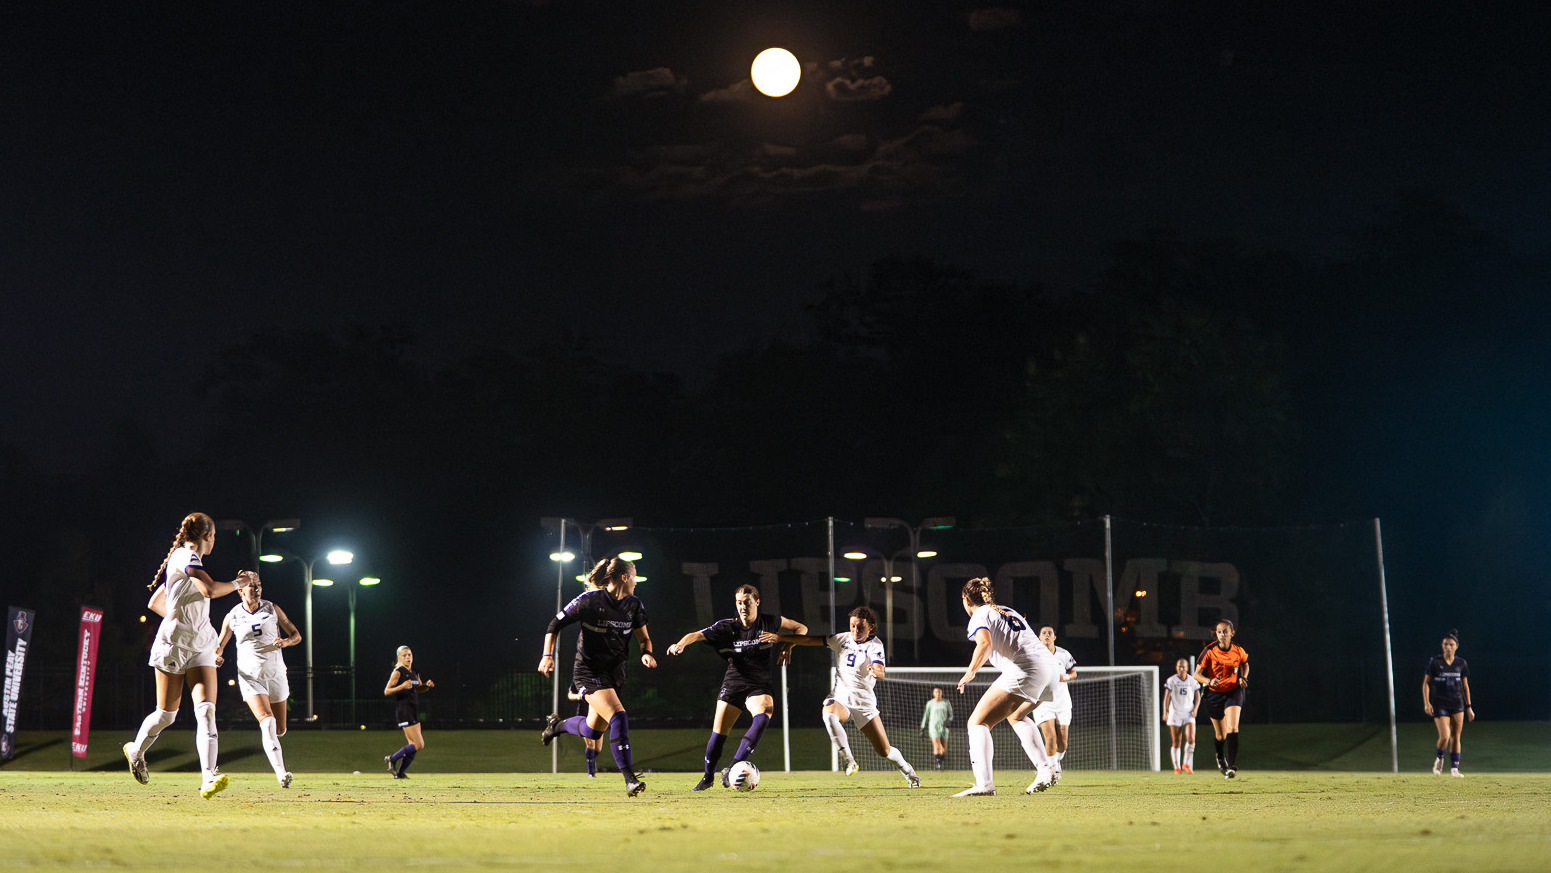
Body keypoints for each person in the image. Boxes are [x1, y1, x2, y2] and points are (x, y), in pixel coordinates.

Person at [122, 511, 256, 799]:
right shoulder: (185, 557)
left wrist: (191, 622)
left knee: (206, 710)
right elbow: (208, 589)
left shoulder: (185, 561)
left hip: (200, 646)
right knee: (166, 715)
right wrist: (238, 584)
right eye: (215, 536)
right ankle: (136, 749)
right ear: (208, 536)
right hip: (173, 646)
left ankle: (209, 777)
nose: (215, 541)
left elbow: (156, 599)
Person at [668, 583, 808, 790]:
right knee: (718, 734)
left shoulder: (769, 621)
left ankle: (732, 767)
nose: (743, 607)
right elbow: (697, 634)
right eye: (739, 603)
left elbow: (801, 628)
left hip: (759, 683)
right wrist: (680, 644)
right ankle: (707, 778)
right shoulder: (727, 626)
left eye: (747, 602)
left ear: (757, 602)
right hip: (734, 682)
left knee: (764, 715)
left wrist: (788, 645)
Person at [764, 606, 921, 787]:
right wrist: (782, 638)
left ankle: (909, 772)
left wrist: (875, 671)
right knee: (829, 714)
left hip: (863, 702)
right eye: (853, 626)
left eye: (860, 627)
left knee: (884, 751)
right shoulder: (841, 639)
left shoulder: (875, 645)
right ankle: (849, 761)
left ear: (871, 626)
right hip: (841, 696)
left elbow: (880, 670)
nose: (855, 630)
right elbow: (809, 639)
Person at [538, 556, 657, 797]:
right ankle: (630, 779)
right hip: (588, 672)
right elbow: (554, 625)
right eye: (634, 576)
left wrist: (647, 653)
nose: (636, 581)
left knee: (593, 731)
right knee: (619, 716)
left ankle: (556, 726)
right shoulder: (589, 601)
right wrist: (547, 655)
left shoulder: (634, 605)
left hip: (615, 675)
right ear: (624, 577)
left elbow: (644, 639)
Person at [951, 577, 1062, 797]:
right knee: (1017, 716)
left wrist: (970, 671)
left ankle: (984, 784)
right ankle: (1046, 770)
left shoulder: (980, 614)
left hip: (1027, 669)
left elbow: (985, 643)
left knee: (978, 722)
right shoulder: (1005, 610)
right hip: (1050, 669)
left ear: (965, 600)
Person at [214, 574, 302, 787]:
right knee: (267, 720)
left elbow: (296, 635)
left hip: (276, 673)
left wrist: (286, 642)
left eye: (259, 585)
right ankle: (282, 774)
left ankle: (276, 753)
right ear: (240, 590)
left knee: (279, 729)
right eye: (251, 586)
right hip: (249, 675)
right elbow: (219, 644)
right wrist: (216, 655)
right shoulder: (233, 615)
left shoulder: (272, 609)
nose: (256, 589)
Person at [1015, 625, 1076, 783]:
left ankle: (1056, 762)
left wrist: (1066, 678)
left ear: (1054, 637)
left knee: (1062, 743)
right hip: (1042, 702)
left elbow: (1073, 672)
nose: (1047, 635)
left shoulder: (1063, 654)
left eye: (1050, 633)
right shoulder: (1035, 654)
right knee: (1050, 738)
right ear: (1039, 637)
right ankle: (1052, 770)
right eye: (1044, 633)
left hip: (1062, 702)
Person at [1193, 619, 1248, 779]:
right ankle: (1220, 758)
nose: (1222, 634)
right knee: (1221, 736)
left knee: (1232, 728)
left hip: (1233, 691)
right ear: (1216, 634)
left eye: (1225, 631)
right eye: (1219, 632)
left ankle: (1231, 766)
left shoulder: (1238, 650)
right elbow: (1196, 675)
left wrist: (1243, 677)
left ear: (1232, 633)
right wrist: (1209, 681)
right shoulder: (1209, 651)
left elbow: (1245, 663)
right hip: (1213, 694)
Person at [1422, 629, 1473, 777]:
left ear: (1456, 646)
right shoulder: (1435, 662)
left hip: (1457, 704)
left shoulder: (1461, 663)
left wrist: (1469, 707)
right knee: (1445, 735)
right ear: (1442, 645)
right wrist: (1426, 703)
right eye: (1445, 644)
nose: (1448, 647)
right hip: (1440, 704)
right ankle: (1439, 759)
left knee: (1456, 736)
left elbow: (1465, 686)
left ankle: (1454, 769)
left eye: (1451, 644)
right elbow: (1426, 683)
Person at [384, 645, 434, 778]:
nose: (408, 657)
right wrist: (401, 686)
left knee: (413, 745)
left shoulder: (414, 671)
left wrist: (426, 686)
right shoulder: (398, 671)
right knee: (419, 745)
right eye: (404, 655)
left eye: (410, 655)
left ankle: (400, 773)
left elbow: (419, 689)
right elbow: (387, 691)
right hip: (404, 710)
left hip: (413, 709)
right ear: (399, 657)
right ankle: (392, 758)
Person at [1163, 657, 1202, 774]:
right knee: (1176, 742)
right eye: (1179, 666)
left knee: (1191, 739)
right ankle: (1177, 767)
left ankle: (1186, 763)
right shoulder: (1172, 680)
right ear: (1176, 668)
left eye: (1183, 666)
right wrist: (1165, 711)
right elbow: (1166, 696)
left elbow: (1198, 696)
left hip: (1188, 713)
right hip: (1175, 713)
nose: (1181, 669)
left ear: (1187, 668)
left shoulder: (1192, 681)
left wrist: (1195, 709)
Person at [567, 684, 601, 778]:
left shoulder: (600, 678)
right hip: (584, 715)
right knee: (590, 744)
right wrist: (579, 696)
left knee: (597, 749)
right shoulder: (580, 677)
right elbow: (570, 695)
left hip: (598, 715)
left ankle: (592, 762)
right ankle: (591, 773)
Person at [919, 686, 953, 770]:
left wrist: (948, 721)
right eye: (936, 692)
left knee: (943, 748)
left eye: (939, 692)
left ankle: (940, 760)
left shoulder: (946, 703)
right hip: (933, 726)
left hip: (944, 727)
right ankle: (937, 764)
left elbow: (951, 715)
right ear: (933, 694)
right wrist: (922, 728)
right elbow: (926, 716)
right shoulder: (930, 703)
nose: (938, 694)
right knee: (936, 744)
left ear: (941, 693)